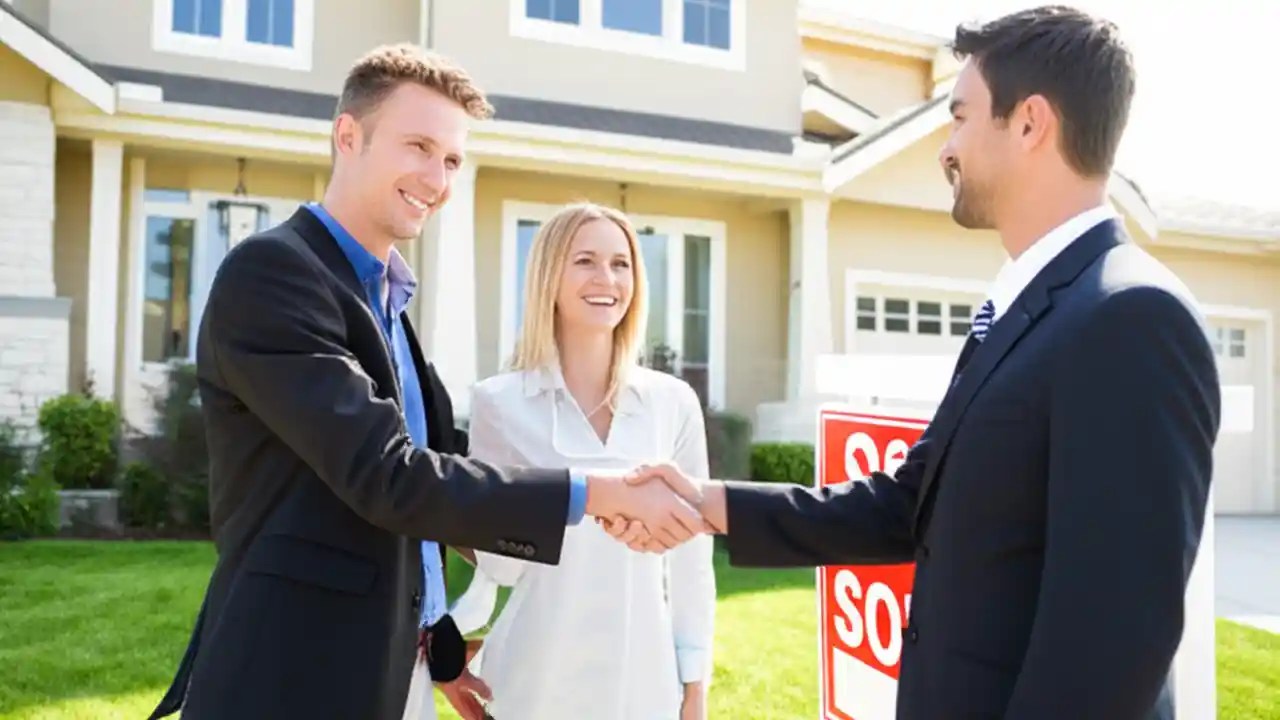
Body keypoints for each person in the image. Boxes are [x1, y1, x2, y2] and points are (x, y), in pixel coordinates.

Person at [608, 7, 1220, 720]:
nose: (945, 149)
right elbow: (910, 504)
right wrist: (706, 504)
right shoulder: (1027, 311)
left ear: (1030, 124)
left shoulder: (1130, 319)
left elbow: (1111, 650)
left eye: (959, 118)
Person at [147, 44, 705, 720]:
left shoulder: (385, 304)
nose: (436, 179)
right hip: (296, 670)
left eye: (450, 160)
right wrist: (602, 492)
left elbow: (442, 473)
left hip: (392, 665)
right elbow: (391, 477)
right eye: (418, 146)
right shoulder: (274, 277)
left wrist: (442, 642)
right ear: (348, 136)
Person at [462, 203, 716, 719]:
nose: (607, 278)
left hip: (644, 683)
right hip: (534, 683)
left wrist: (694, 679)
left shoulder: (674, 403)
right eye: (585, 261)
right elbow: (501, 568)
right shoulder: (498, 402)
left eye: (621, 264)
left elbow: (693, 559)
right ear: (549, 277)